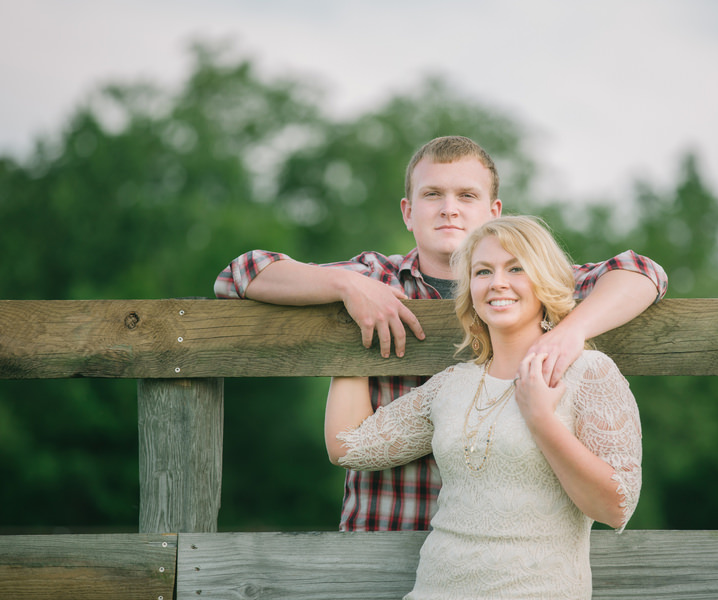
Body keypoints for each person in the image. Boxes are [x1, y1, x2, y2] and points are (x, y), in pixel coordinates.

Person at [215, 135, 665, 531]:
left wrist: (572, 331)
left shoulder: (529, 281)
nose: (449, 208)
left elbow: (643, 272)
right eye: (433, 194)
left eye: (466, 195)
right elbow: (241, 274)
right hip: (383, 525)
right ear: (408, 212)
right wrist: (344, 285)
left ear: (493, 212)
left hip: (503, 539)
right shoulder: (375, 276)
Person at [324, 216, 642, 599]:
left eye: (516, 268)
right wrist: (350, 338)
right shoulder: (452, 384)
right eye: (483, 271)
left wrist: (541, 419)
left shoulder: (588, 373)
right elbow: (348, 446)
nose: (498, 283)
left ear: (545, 281)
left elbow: (616, 507)